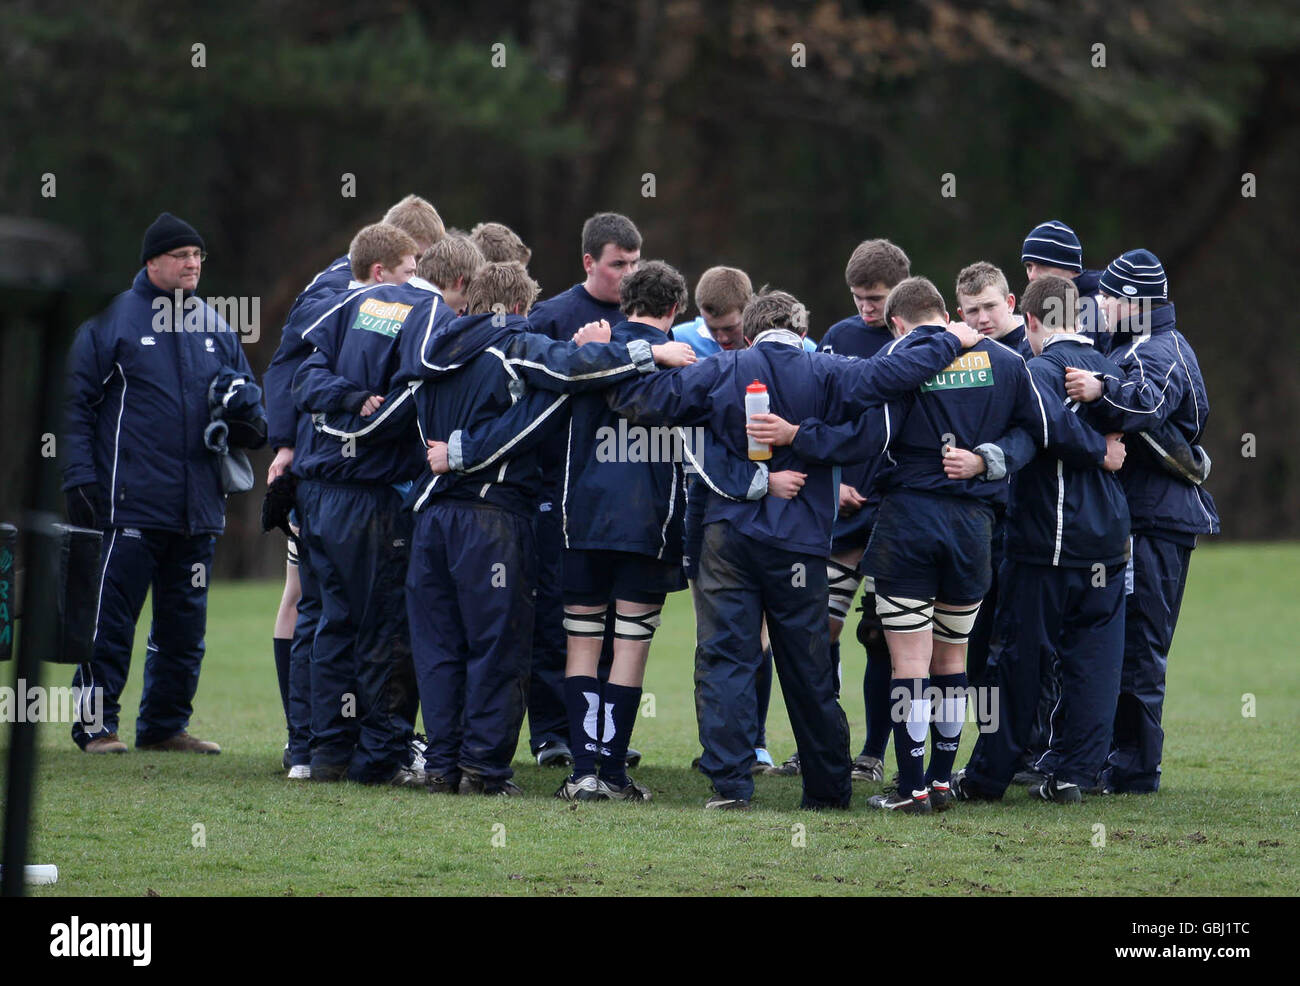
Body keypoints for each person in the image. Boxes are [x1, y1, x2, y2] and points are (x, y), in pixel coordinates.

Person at [608, 289, 982, 809]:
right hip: (801, 545)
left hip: (726, 536)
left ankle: (731, 786)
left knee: (726, 660)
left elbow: (638, 401)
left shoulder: (723, 368)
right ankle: (828, 790)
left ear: (750, 332)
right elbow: (890, 379)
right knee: (808, 666)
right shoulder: (829, 371)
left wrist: (633, 352)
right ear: (803, 332)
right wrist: (949, 338)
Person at [391, 261, 696, 795]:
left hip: (430, 516)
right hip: (492, 516)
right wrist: (647, 352)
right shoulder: (515, 342)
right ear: (515, 307)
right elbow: (559, 388)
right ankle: (483, 770)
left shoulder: (431, 348)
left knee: (437, 648)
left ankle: (441, 766)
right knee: (498, 648)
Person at [64, 211, 266, 754]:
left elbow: (250, 404)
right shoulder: (112, 324)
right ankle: (94, 726)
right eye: (182, 256)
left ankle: (163, 726)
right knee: (110, 623)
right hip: (128, 505)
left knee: (183, 630)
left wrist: (248, 416)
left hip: (197, 508)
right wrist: (79, 479)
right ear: (152, 261)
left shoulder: (217, 327)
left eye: (198, 256)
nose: (193, 264)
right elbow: (74, 409)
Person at [260, 194, 446, 777]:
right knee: (355, 618)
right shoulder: (341, 297)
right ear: (392, 259)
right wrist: (302, 440)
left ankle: (323, 749)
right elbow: (291, 371)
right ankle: (351, 750)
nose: (423, 281)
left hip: (322, 479)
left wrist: (323, 421)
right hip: (351, 480)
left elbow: (303, 372)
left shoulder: (344, 296)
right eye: (420, 267)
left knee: (327, 614)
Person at [949, 275, 1129, 803]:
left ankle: (986, 779)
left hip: (1045, 542)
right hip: (1109, 544)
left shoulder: (1036, 371)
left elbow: (1033, 437)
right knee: (1095, 663)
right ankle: (1076, 774)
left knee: (1017, 663)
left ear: (1029, 321)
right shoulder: (1114, 373)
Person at [1063, 249, 1219, 792]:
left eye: (1107, 296)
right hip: (1136, 518)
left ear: (1132, 303)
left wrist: (1101, 390)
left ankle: (1136, 769)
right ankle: (1113, 757)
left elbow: (1146, 406)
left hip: (1160, 522)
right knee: (1117, 641)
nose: (1098, 303)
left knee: (1141, 647)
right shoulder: (1131, 342)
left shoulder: (1161, 349)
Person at [556, 261, 696, 802]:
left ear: (624, 303)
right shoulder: (681, 361)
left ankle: (581, 772)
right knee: (631, 646)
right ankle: (611, 773)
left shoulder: (594, 354)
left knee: (582, 645)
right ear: (675, 310)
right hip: (650, 527)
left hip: (582, 520)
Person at [775, 238, 912, 784]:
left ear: (899, 290)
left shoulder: (917, 340)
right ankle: (820, 744)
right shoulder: (837, 338)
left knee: (882, 635)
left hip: (896, 516)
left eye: (876, 299)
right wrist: (832, 486)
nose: (867, 309)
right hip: (841, 518)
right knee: (820, 629)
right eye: (858, 298)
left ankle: (874, 753)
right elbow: (824, 418)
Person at [524, 212, 643, 768]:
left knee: (617, 620)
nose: (628, 274)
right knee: (559, 613)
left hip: (620, 498)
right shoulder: (552, 316)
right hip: (558, 488)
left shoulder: (640, 317)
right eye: (619, 264)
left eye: (635, 263)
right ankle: (553, 731)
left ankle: (602, 732)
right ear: (589, 262)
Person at [673, 266, 781, 773]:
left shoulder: (781, 352)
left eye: (731, 329)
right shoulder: (682, 346)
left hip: (772, 509)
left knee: (758, 634)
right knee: (713, 632)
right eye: (712, 330)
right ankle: (717, 749)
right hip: (707, 505)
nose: (721, 339)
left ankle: (756, 742)